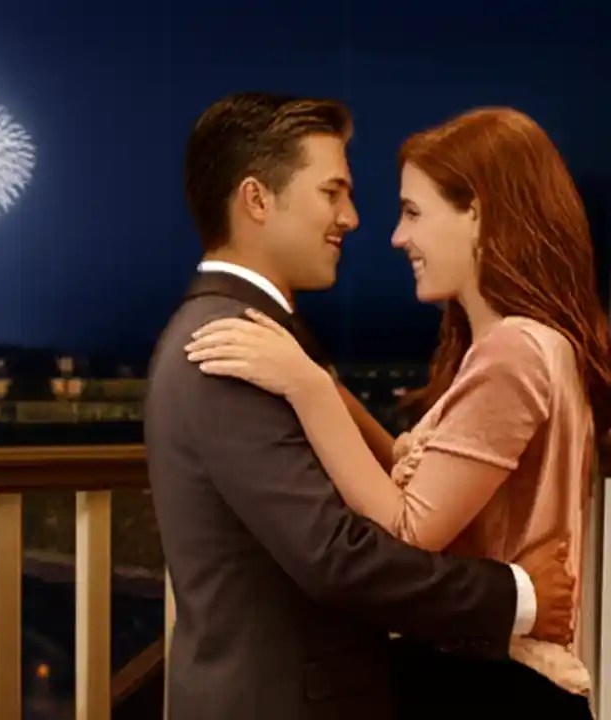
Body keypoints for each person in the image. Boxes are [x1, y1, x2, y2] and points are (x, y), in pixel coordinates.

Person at [145, 93, 576, 720]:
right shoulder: (227, 347)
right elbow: (336, 557)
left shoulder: (267, 341)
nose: (352, 218)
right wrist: (520, 597)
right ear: (257, 200)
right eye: (332, 193)